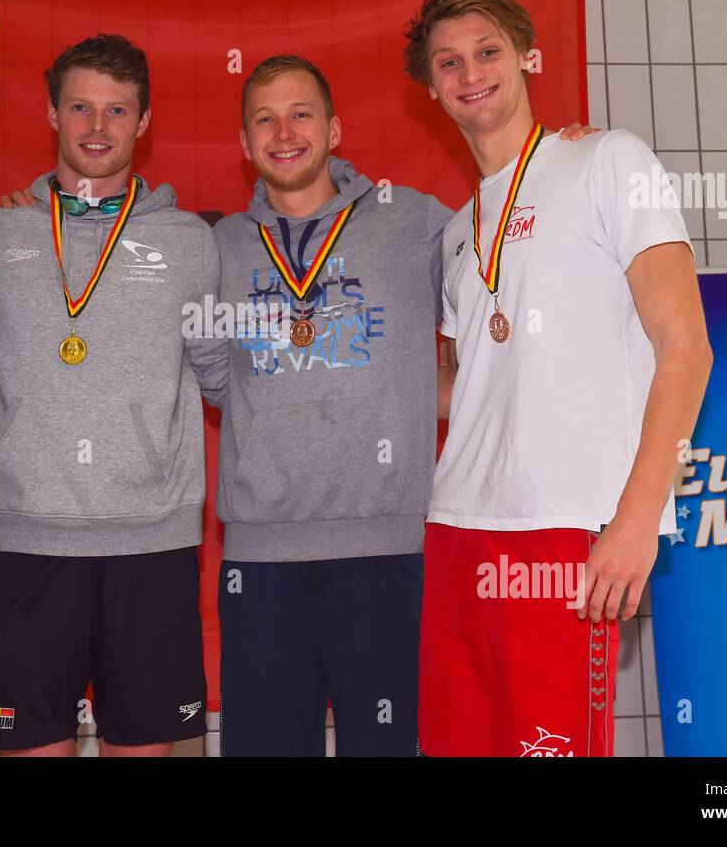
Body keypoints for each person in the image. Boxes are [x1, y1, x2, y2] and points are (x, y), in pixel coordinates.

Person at [211, 54, 597, 756]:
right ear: (243, 143)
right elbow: (213, 374)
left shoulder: (413, 219)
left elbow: (505, 274)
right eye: (263, 119)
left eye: (301, 113)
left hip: (391, 554)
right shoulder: (219, 247)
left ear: (334, 129)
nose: (284, 131)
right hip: (259, 563)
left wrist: (560, 166)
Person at [406, 0, 713, 756]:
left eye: (487, 51)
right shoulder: (453, 232)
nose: (470, 72)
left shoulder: (610, 159)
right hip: (455, 530)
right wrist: (337, 369)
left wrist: (638, 519)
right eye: (448, 62)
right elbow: (471, 389)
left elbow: (687, 347)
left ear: (525, 58)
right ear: (431, 88)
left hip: (567, 530)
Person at [0, 34, 226, 757]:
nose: (97, 126)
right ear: (52, 112)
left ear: (144, 123)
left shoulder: (187, 241)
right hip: (26, 537)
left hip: (152, 540)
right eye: (80, 106)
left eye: (118, 110)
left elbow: (223, 375)